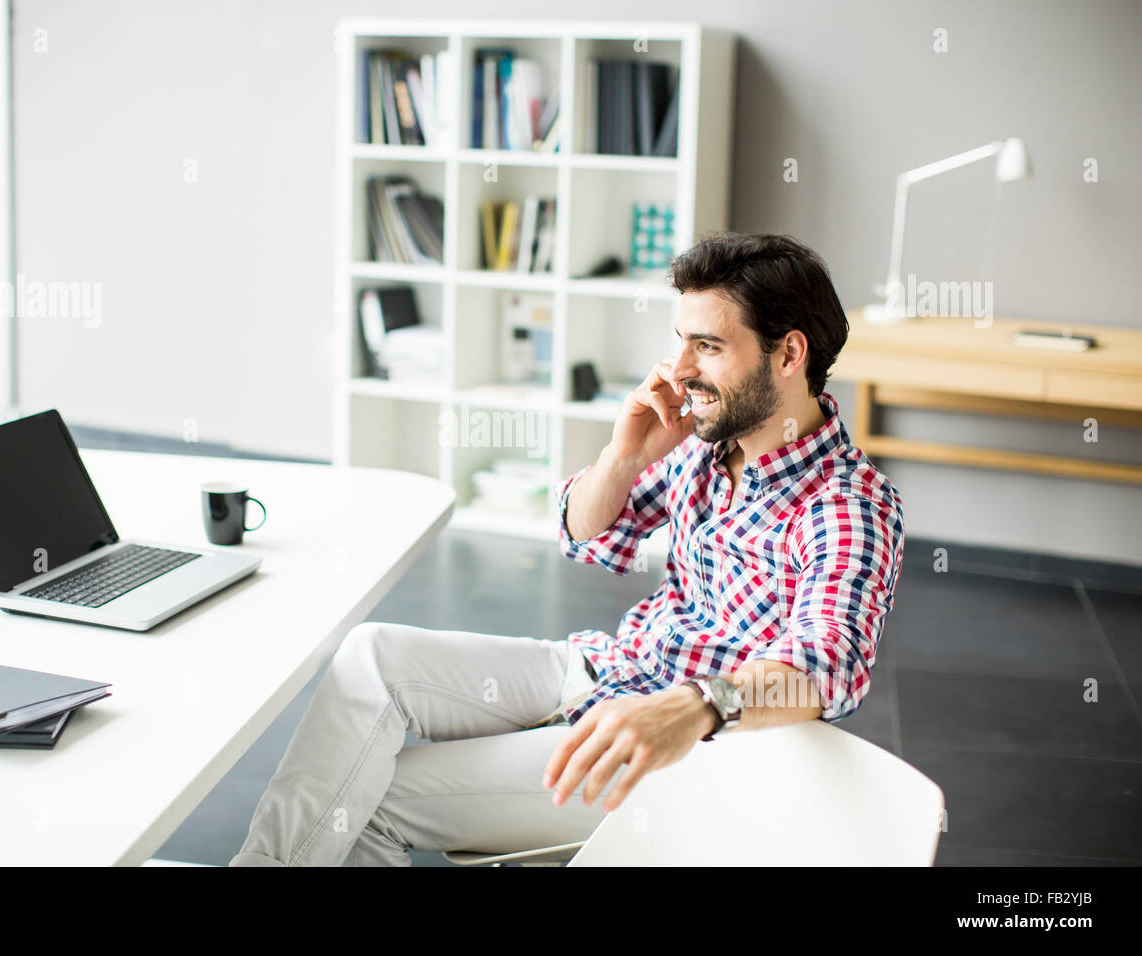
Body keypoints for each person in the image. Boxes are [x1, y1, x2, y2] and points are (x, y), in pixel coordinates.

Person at [230, 231, 905, 866]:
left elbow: (827, 666)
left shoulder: (845, 505)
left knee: (373, 797)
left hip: (688, 750)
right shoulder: (706, 448)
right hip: (608, 669)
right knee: (370, 656)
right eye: (680, 342)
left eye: (708, 347)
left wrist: (692, 706)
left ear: (789, 355)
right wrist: (622, 456)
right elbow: (585, 537)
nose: (679, 369)